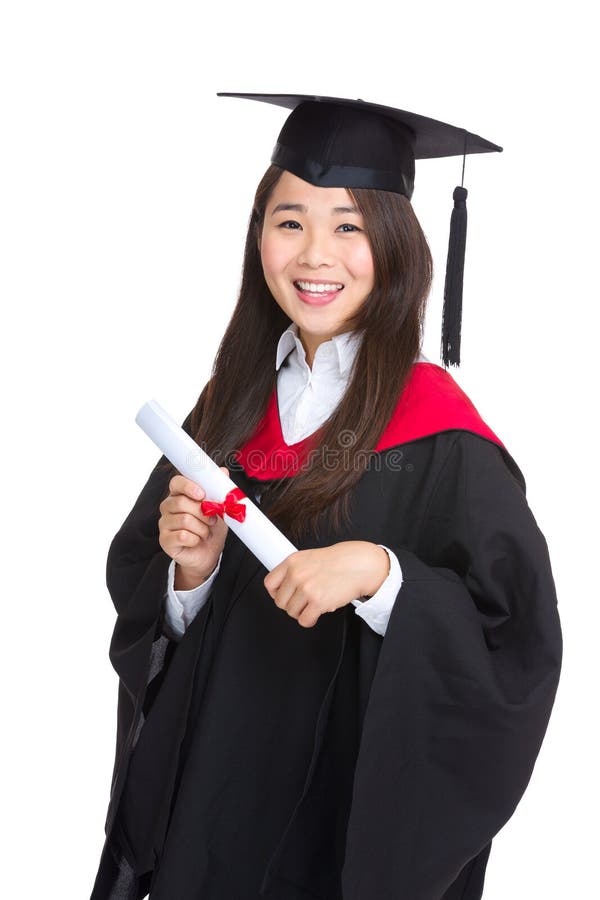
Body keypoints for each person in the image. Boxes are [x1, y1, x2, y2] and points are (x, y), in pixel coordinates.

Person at [90, 94, 563, 900]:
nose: (316, 255)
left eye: (348, 226)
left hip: (335, 834)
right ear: (258, 236)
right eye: (289, 221)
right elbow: (147, 610)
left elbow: (512, 645)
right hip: (205, 813)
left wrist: (383, 577)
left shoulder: (439, 434)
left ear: (395, 242)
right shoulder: (229, 406)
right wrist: (190, 576)